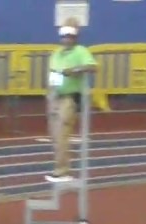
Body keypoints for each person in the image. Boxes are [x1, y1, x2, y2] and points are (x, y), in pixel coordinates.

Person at [46, 25, 95, 183]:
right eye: (64, 36)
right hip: (56, 95)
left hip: (70, 96)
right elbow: (53, 74)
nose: (67, 39)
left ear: (75, 38)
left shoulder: (81, 51)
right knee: (55, 135)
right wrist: (50, 95)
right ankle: (60, 168)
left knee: (62, 133)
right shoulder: (56, 54)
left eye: (70, 36)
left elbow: (92, 66)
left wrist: (74, 70)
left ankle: (62, 171)